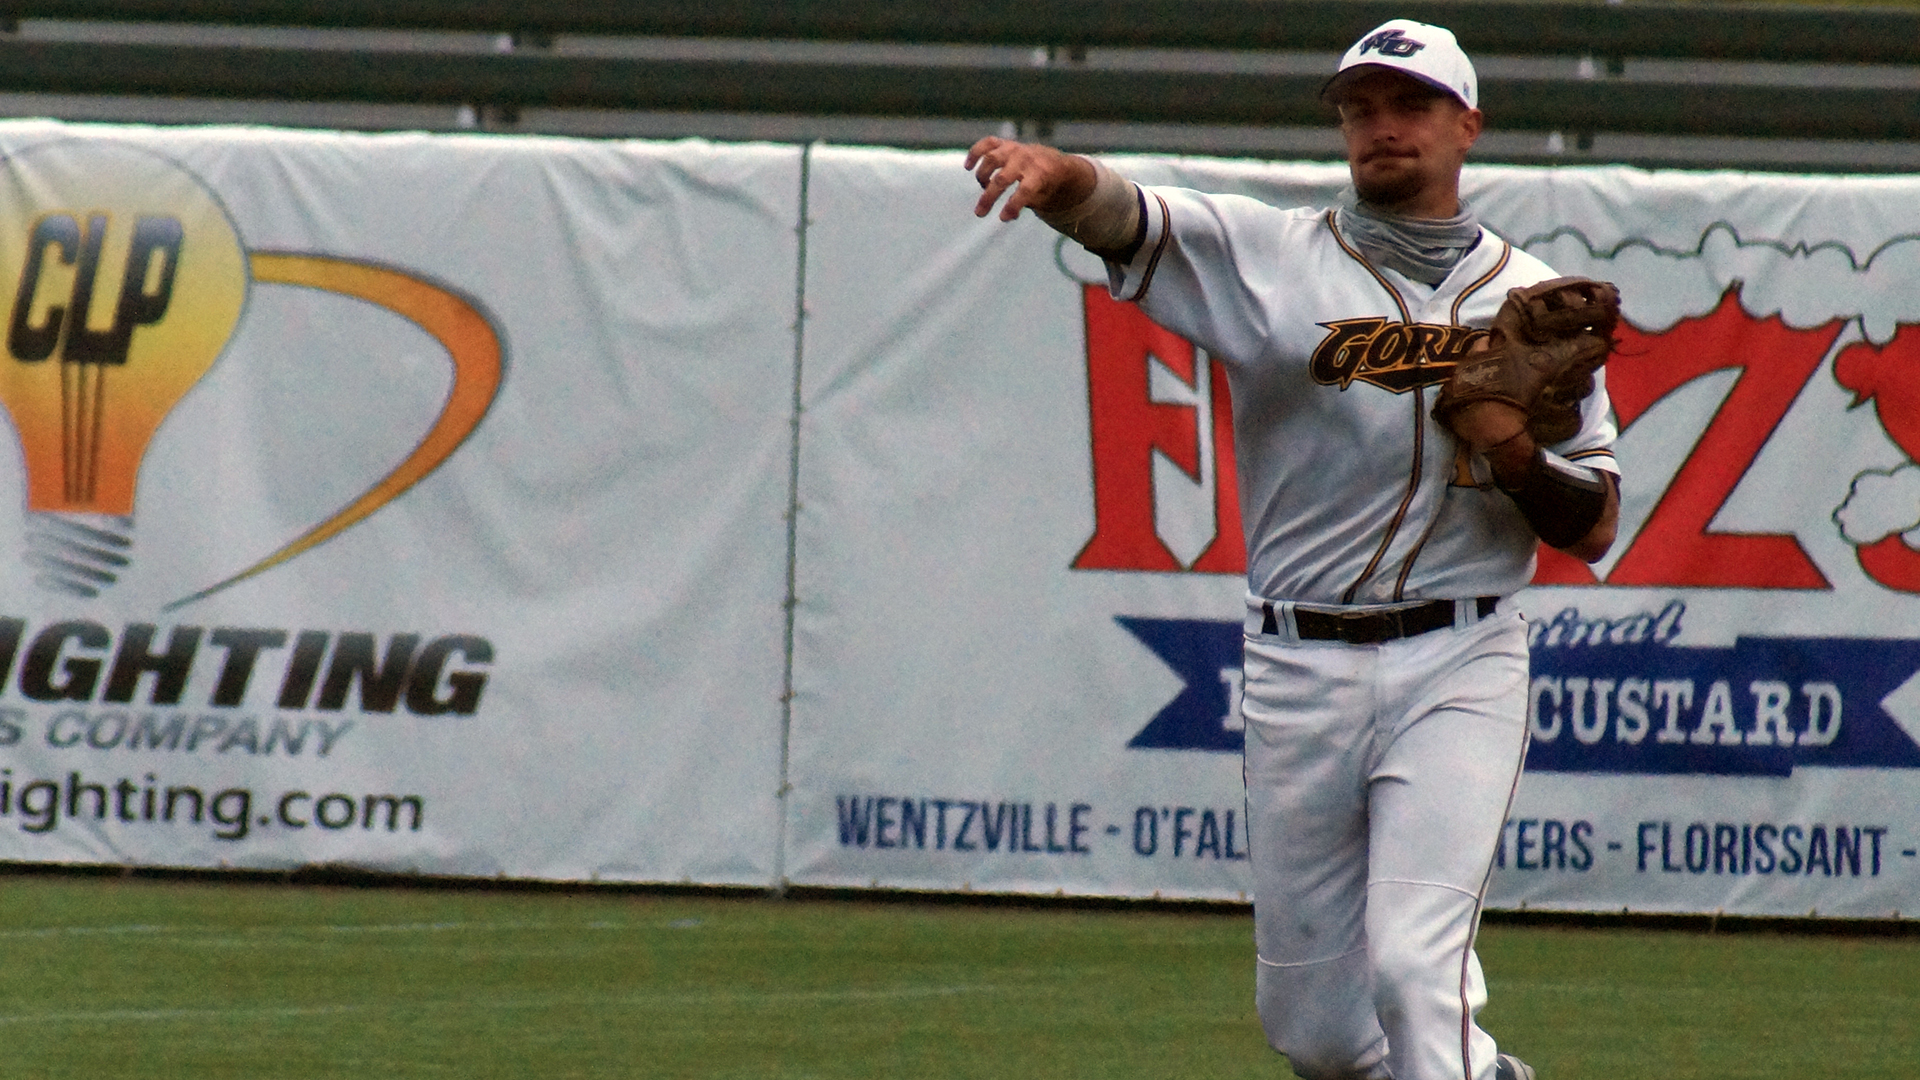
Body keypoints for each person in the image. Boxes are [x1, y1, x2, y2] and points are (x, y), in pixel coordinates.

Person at [965, 18, 1620, 1080]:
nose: (1381, 126)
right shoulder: (1269, 255)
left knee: (1416, 975)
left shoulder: (1534, 302)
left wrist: (1514, 458)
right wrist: (1057, 173)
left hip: (1459, 658)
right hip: (1295, 664)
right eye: (1360, 107)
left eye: (1409, 105)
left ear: (1468, 129)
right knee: (1316, 1032)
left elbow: (1591, 520)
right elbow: (1127, 217)